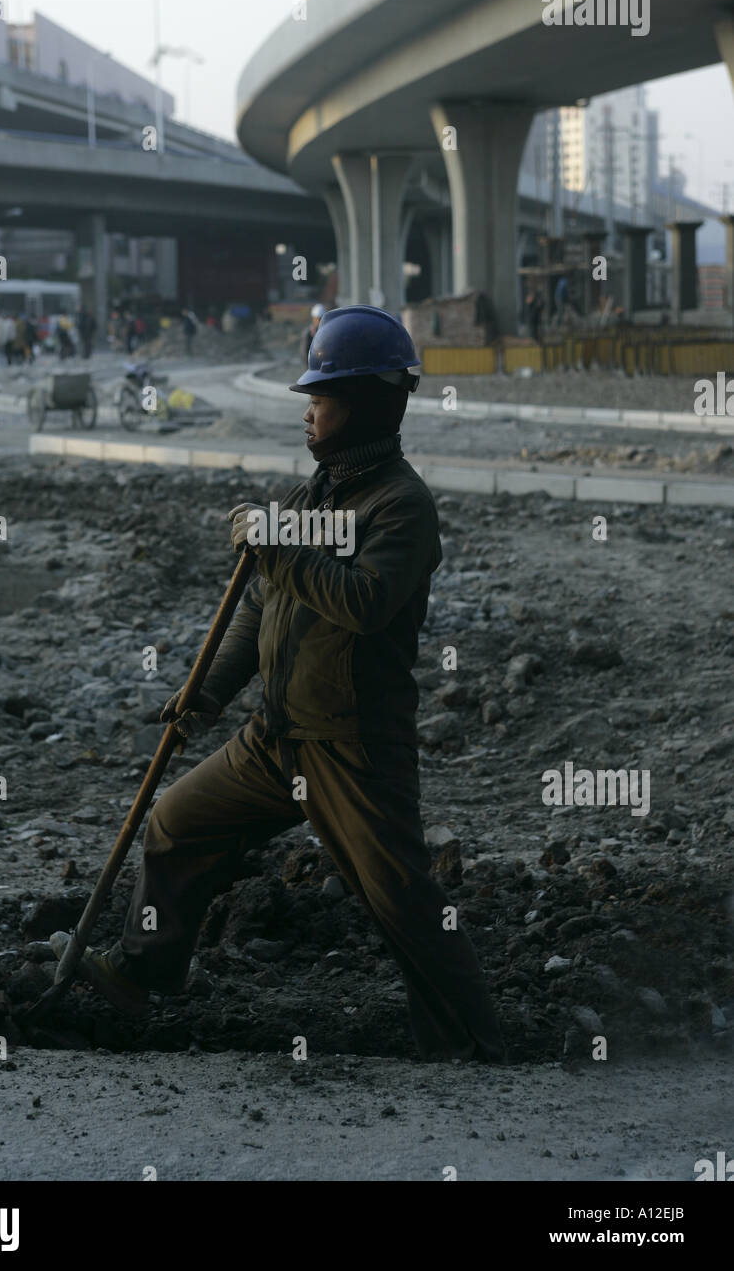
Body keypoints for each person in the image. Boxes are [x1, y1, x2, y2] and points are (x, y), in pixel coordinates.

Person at [50, 304, 506, 1064]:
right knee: (175, 823)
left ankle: (475, 1050)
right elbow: (257, 606)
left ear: (362, 404)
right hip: (274, 737)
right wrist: (206, 694)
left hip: (354, 747)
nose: (308, 414)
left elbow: (363, 603)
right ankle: (141, 970)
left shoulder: (400, 506)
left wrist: (275, 547)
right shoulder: (310, 499)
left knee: (403, 906)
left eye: (319, 400)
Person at [300, 302, 326, 367]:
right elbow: (304, 352)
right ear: (314, 318)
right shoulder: (308, 333)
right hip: (313, 365)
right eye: (318, 318)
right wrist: (309, 367)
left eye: (321, 318)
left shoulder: (326, 332)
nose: (319, 321)